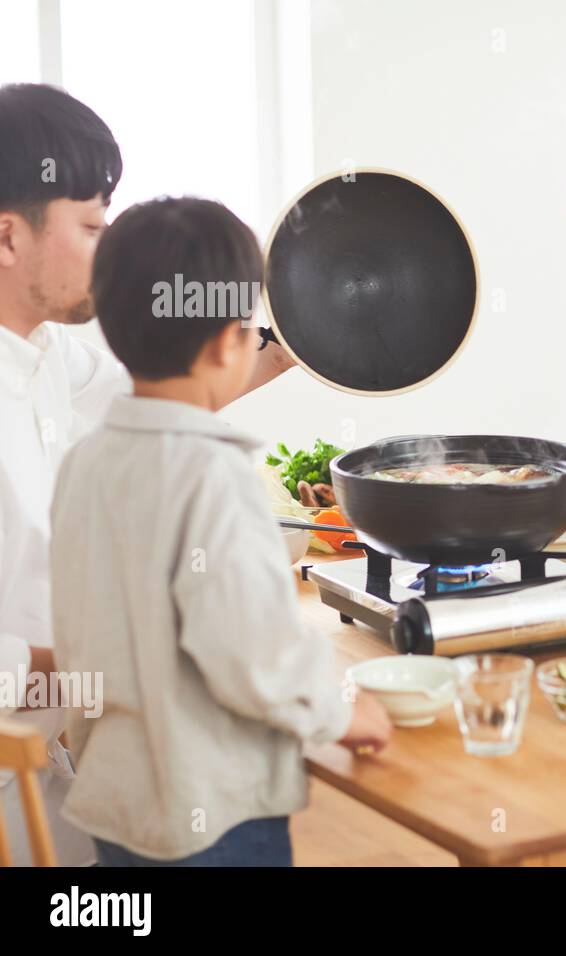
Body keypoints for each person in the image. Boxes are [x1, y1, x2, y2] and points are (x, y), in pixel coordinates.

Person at [0, 82, 301, 866]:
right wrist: (86, 666)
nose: (112, 250)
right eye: (95, 225)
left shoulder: (45, 358)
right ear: (7, 237)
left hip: (77, 749)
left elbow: (166, 386)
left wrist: (296, 335)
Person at [50, 196, 392, 866]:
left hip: (115, 796)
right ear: (226, 342)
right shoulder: (214, 473)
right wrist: (341, 715)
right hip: (212, 814)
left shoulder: (85, 459)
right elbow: (251, 654)